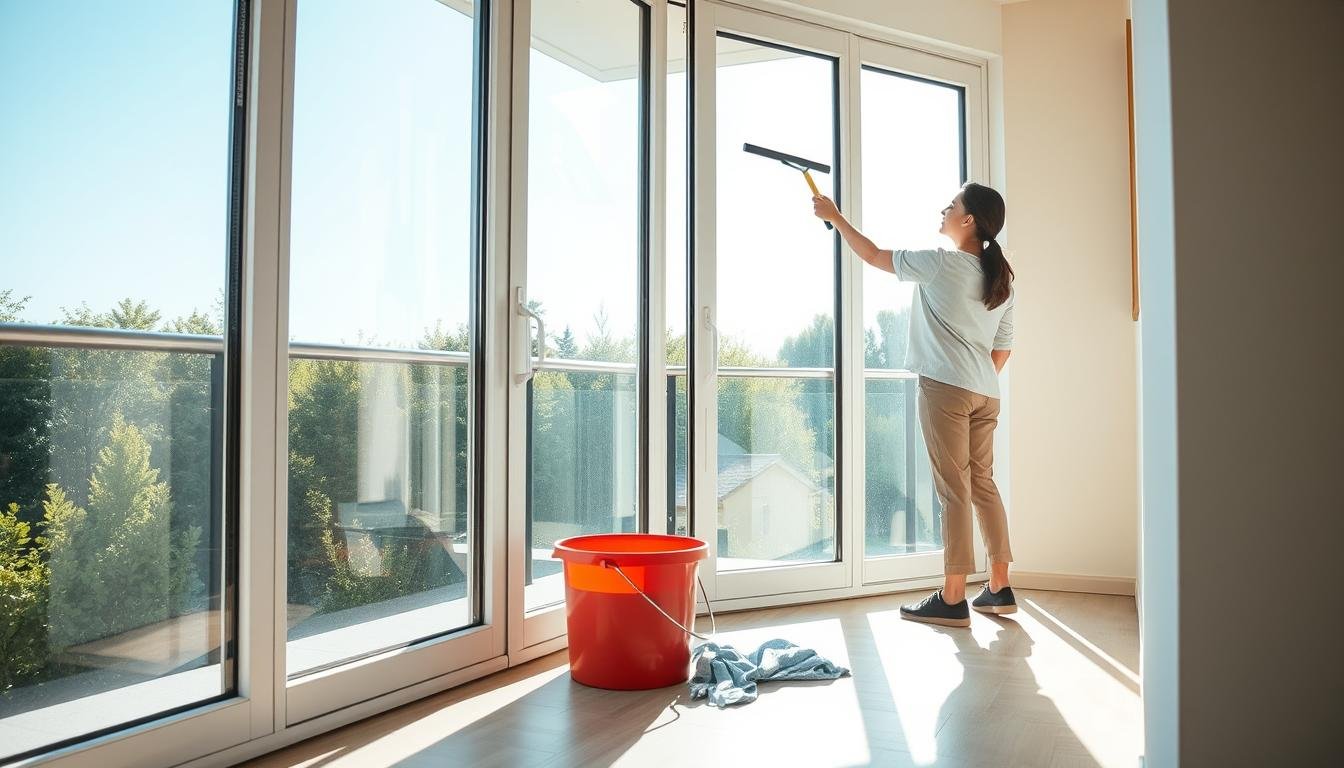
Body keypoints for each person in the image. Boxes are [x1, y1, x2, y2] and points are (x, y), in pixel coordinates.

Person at [812, 183, 1016, 628]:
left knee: (954, 490)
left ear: (968, 221)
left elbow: (872, 255)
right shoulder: (1002, 280)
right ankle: (1000, 587)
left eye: (952, 205)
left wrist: (836, 217)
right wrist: (976, 380)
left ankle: (954, 597)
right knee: (982, 483)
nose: (944, 209)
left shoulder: (941, 264)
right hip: (986, 391)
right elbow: (1003, 348)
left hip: (946, 388)